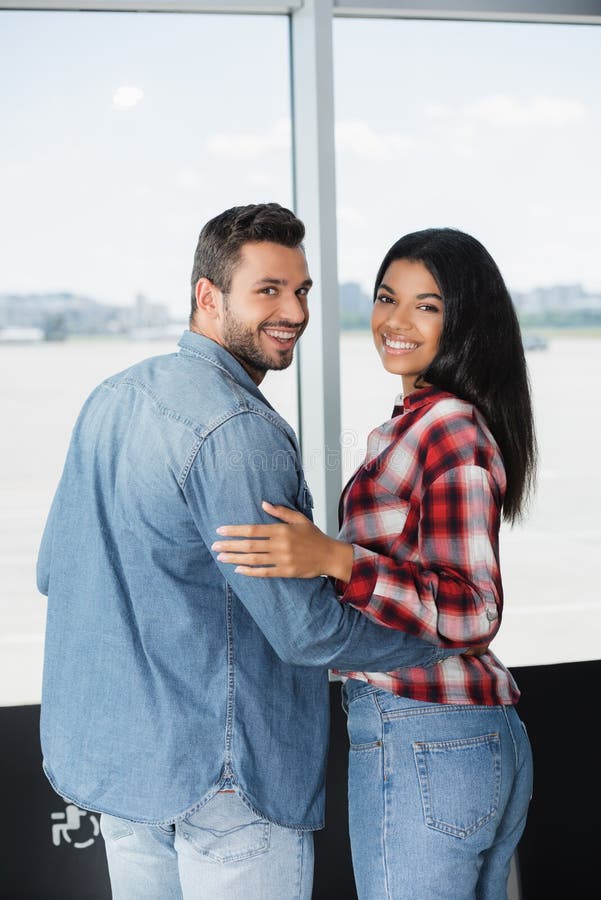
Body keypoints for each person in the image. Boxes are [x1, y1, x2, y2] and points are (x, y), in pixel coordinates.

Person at [36, 206, 471, 900]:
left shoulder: (112, 398)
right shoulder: (238, 430)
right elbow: (306, 631)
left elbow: (53, 570)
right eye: (268, 290)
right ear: (208, 297)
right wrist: (437, 641)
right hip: (223, 781)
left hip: (122, 771)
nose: (294, 312)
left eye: (301, 291)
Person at [212, 227, 537, 899]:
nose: (395, 320)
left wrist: (336, 558)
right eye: (387, 298)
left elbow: (474, 609)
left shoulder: (447, 427)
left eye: (426, 305)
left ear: (466, 320)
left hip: (425, 726)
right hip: (458, 733)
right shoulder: (427, 422)